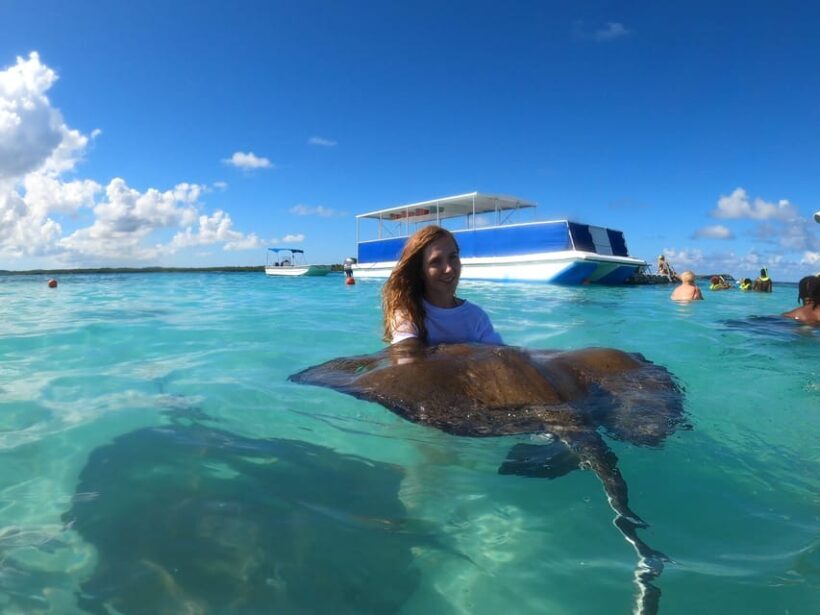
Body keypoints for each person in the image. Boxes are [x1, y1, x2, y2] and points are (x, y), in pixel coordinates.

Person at [382, 225, 503, 345]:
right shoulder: (408, 313)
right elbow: (407, 355)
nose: (449, 269)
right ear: (420, 271)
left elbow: (498, 354)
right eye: (435, 261)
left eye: (453, 257)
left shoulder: (476, 316)